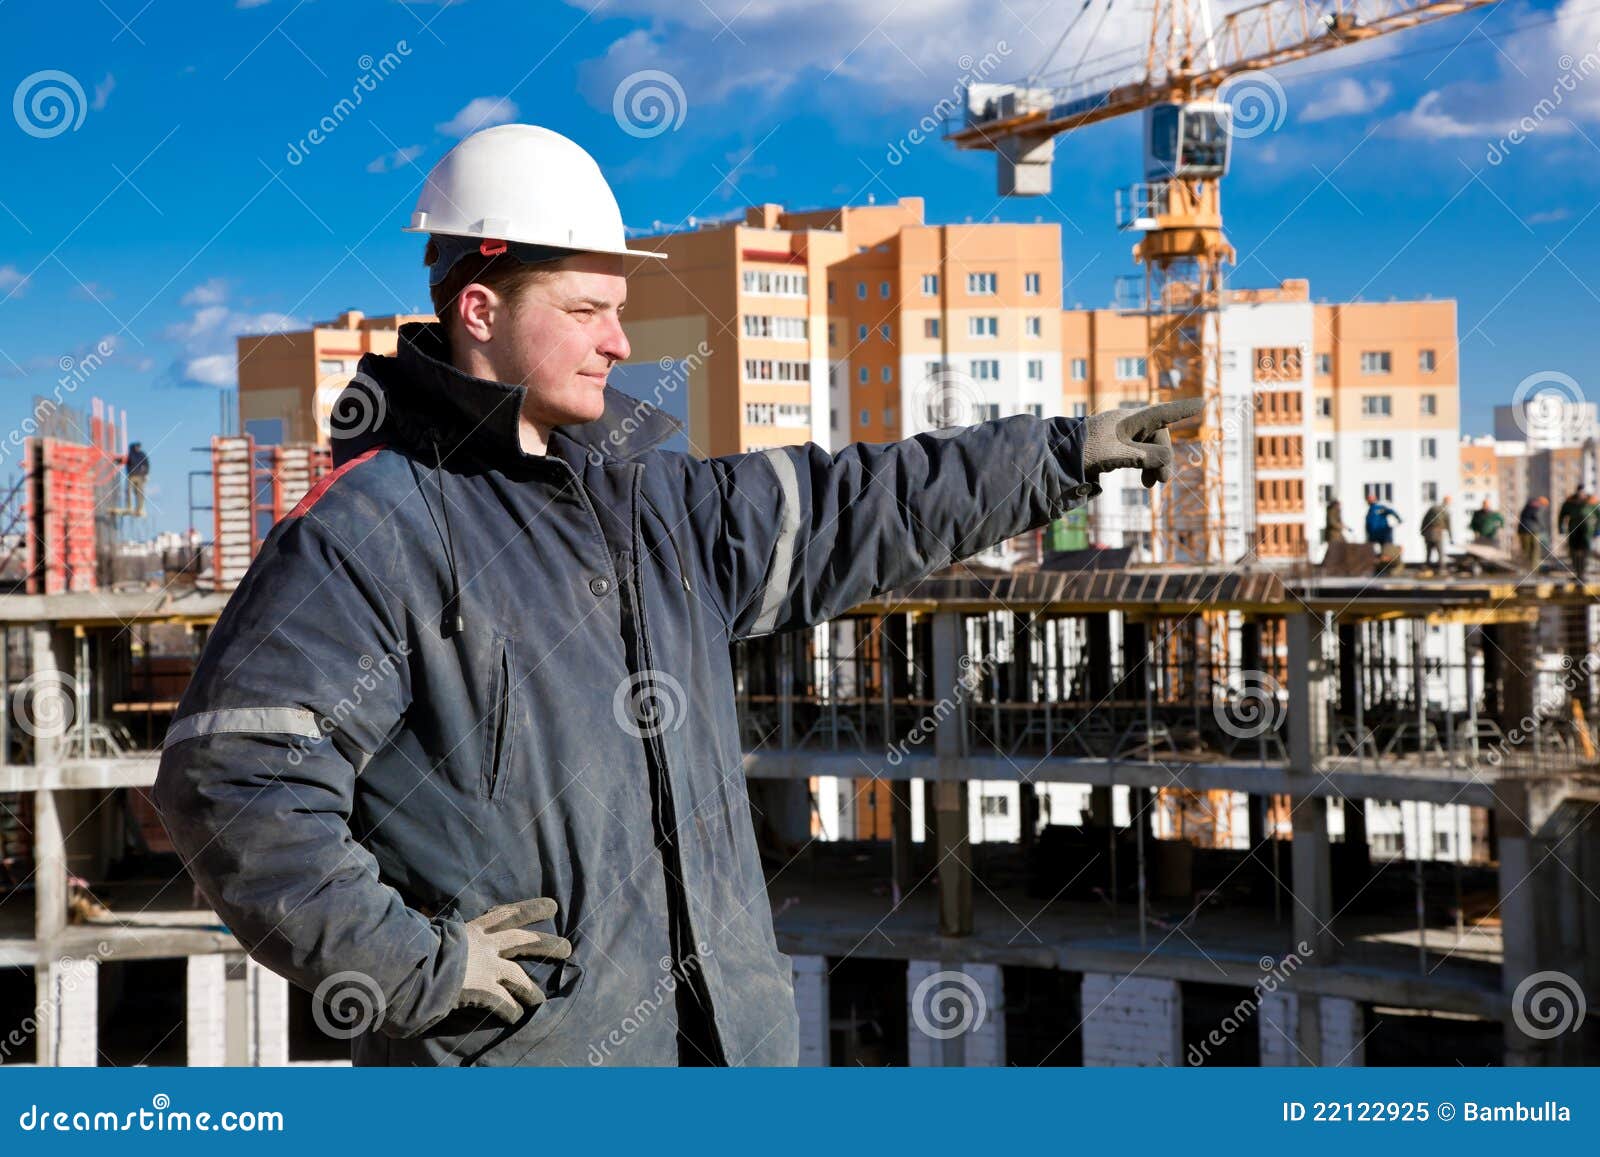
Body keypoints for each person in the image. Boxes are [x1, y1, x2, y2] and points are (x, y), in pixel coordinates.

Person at [151, 124, 1202, 1069]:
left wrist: (1058, 454)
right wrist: (418, 969)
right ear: (480, 308)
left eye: (620, 312)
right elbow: (233, 779)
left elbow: (860, 501)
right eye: (586, 311)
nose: (618, 341)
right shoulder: (371, 529)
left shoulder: (655, 501)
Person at [1564, 490, 1600, 580]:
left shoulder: (1592, 503)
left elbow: (1599, 516)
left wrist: (1597, 530)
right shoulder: (1570, 503)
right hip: (1574, 531)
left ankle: (1582, 574)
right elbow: (1562, 514)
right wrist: (1561, 528)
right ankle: (1578, 573)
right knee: (1574, 552)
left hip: (1586, 532)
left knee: (1585, 552)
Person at [1420, 494, 1452, 569]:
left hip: (1428, 532)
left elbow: (1424, 519)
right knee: (1440, 551)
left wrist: (1422, 530)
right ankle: (1441, 568)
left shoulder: (1433, 508)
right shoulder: (1445, 511)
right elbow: (1449, 525)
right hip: (1437, 532)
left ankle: (1427, 566)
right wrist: (1451, 537)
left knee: (1429, 551)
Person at [1518, 495, 1549, 571]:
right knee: (1535, 550)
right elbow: (1538, 517)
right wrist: (1543, 527)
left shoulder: (1527, 507)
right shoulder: (1536, 507)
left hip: (1522, 531)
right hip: (1533, 531)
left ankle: (1526, 567)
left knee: (1526, 550)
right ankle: (1534, 568)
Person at [124, 441, 150, 516]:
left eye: (138, 446)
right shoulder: (130, 455)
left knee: (139, 493)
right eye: (136, 446)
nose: (137, 448)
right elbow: (125, 461)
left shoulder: (142, 455)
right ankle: (129, 507)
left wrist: (146, 474)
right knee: (128, 491)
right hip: (131, 476)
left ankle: (139, 508)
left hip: (140, 476)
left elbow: (147, 465)